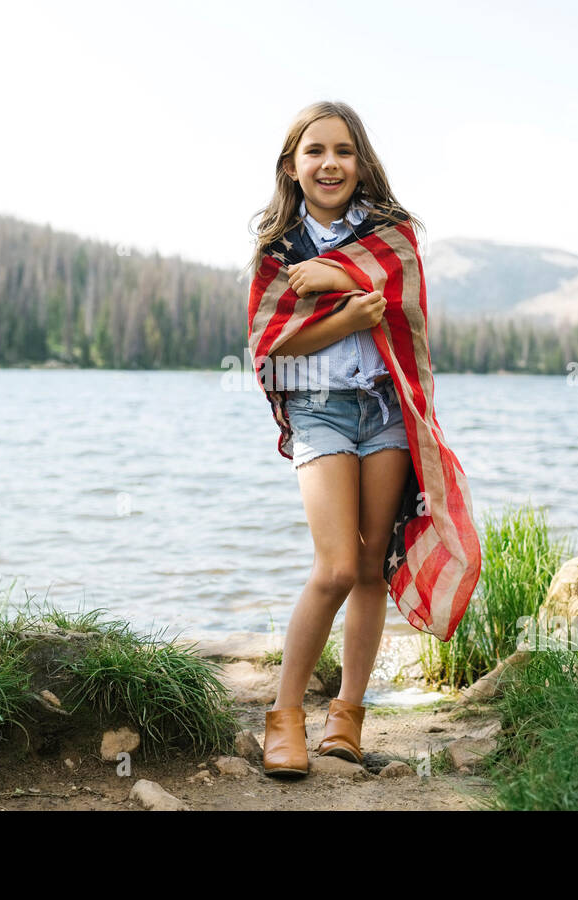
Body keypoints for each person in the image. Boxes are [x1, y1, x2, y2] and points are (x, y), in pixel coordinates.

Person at [244, 101, 426, 778]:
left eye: (344, 151)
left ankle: (346, 717)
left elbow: (401, 291)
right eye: (315, 151)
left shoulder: (392, 234)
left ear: (362, 162)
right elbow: (273, 347)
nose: (330, 163)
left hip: (385, 407)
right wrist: (347, 305)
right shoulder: (277, 251)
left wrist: (341, 273)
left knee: (374, 561)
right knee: (337, 567)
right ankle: (285, 716)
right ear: (292, 166)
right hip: (319, 407)